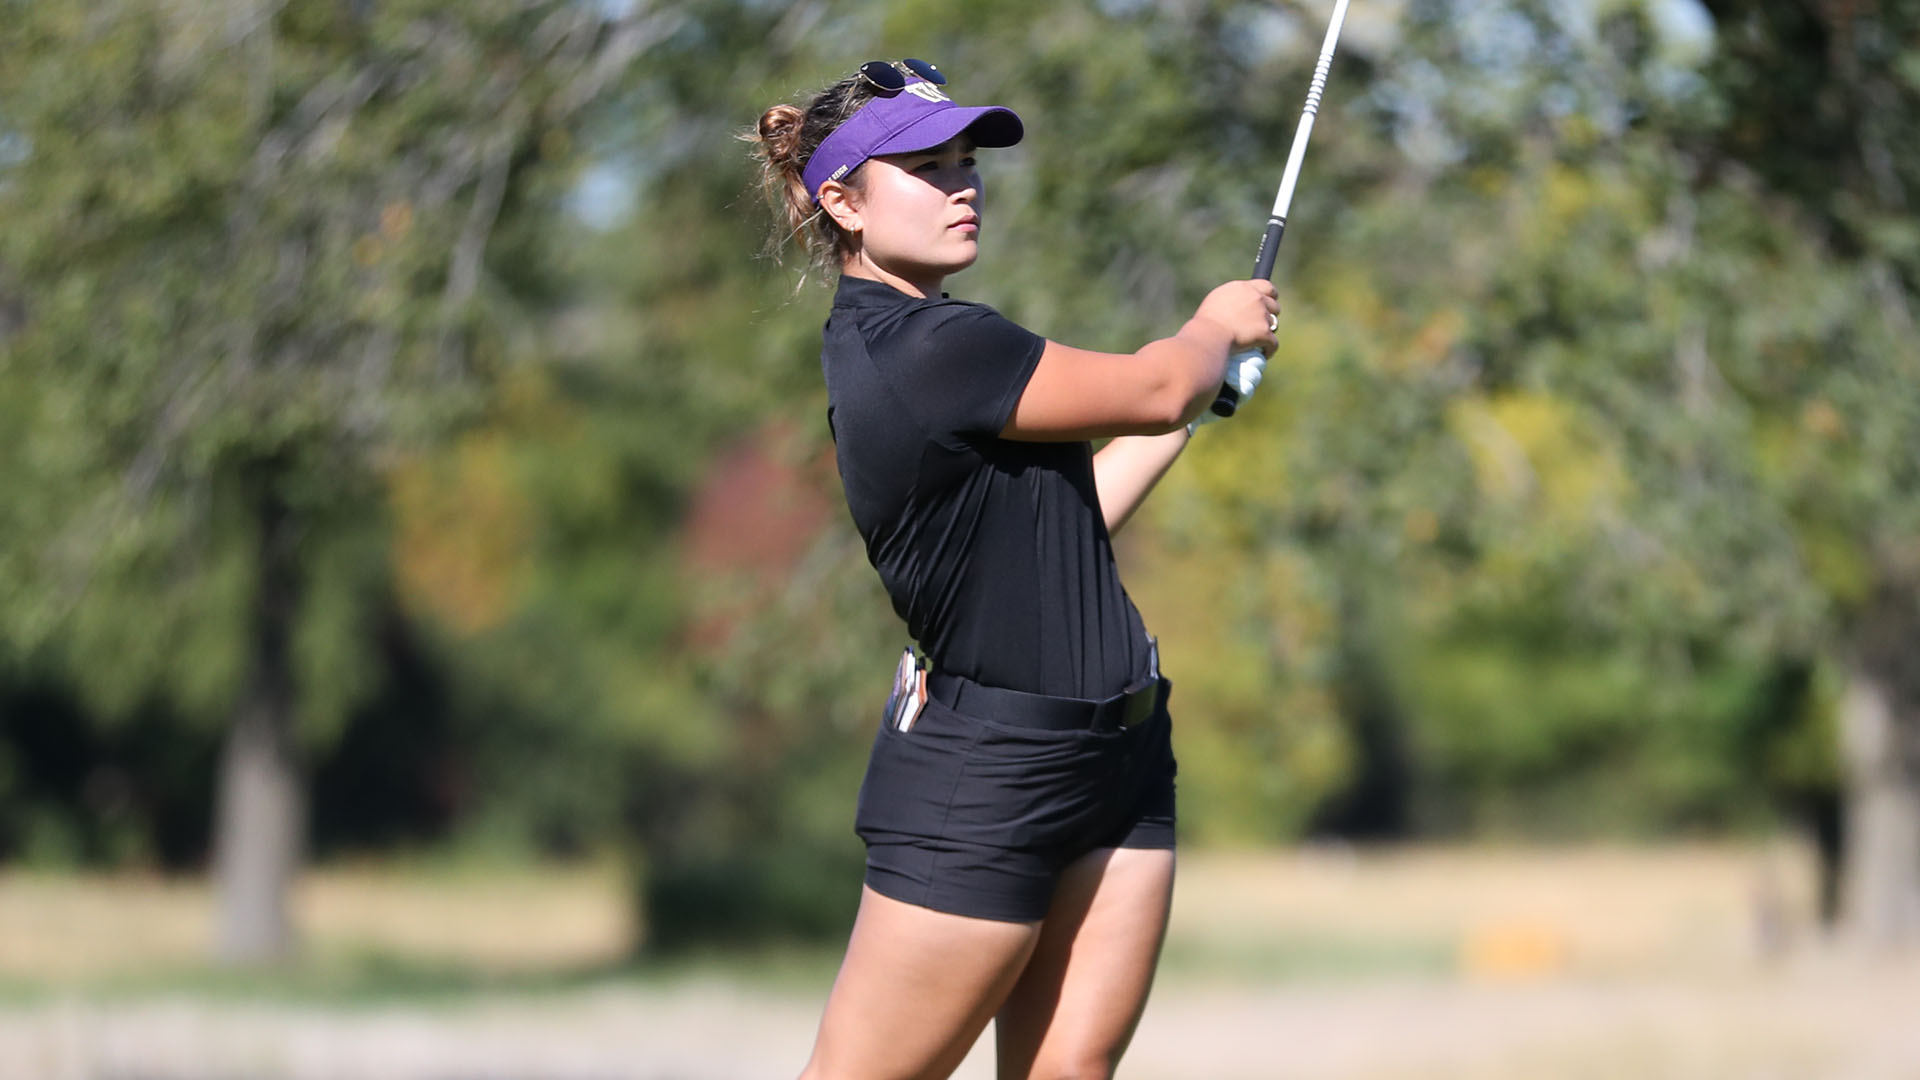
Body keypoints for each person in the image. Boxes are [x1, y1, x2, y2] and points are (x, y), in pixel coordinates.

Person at [747, 59, 1277, 1080]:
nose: (962, 186)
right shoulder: (929, 348)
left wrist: (1211, 397)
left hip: (1120, 756)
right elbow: (1159, 382)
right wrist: (1214, 330)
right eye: (925, 168)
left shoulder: (950, 349)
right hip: (986, 780)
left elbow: (1077, 516)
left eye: (966, 163)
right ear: (842, 201)